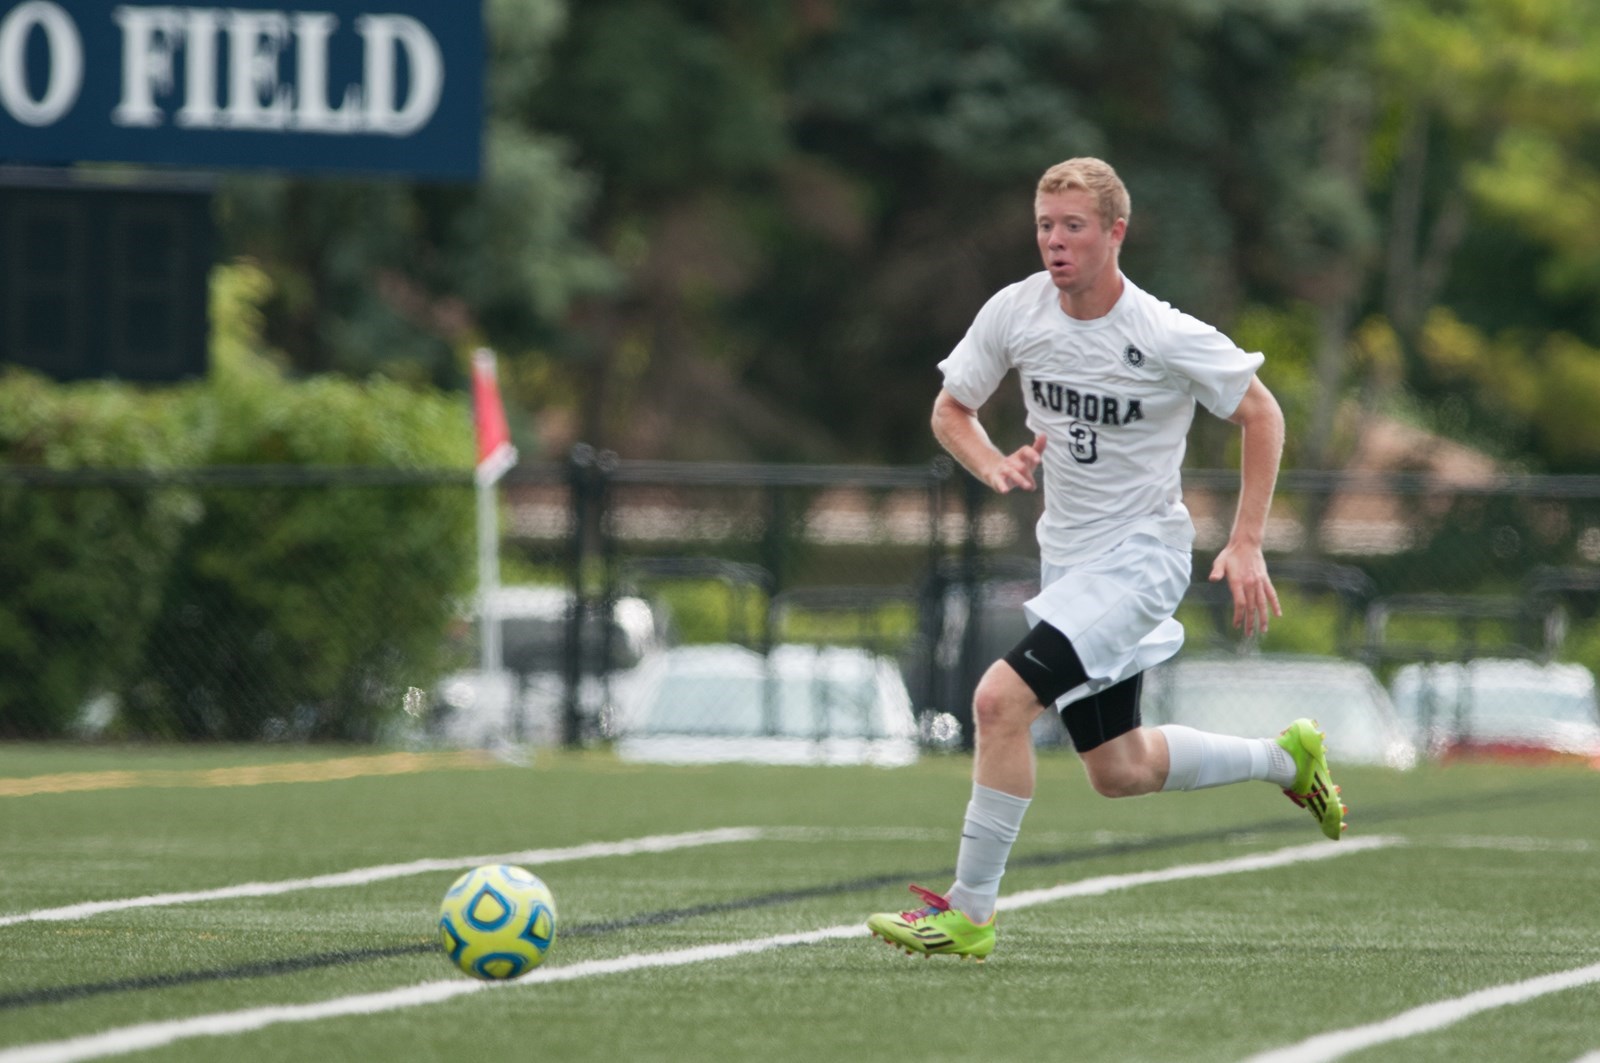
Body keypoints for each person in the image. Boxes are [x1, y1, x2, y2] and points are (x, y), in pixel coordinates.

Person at [866, 157, 1344, 963]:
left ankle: (970, 911)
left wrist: (1247, 537)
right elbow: (953, 410)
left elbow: (1261, 412)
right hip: (1071, 566)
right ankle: (1284, 758)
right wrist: (992, 463)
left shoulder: (1159, 331)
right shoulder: (1017, 311)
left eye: (1074, 227)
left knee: (997, 701)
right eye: (1046, 226)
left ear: (1115, 233)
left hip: (1144, 557)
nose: (1055, 241)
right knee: (1117, 768)